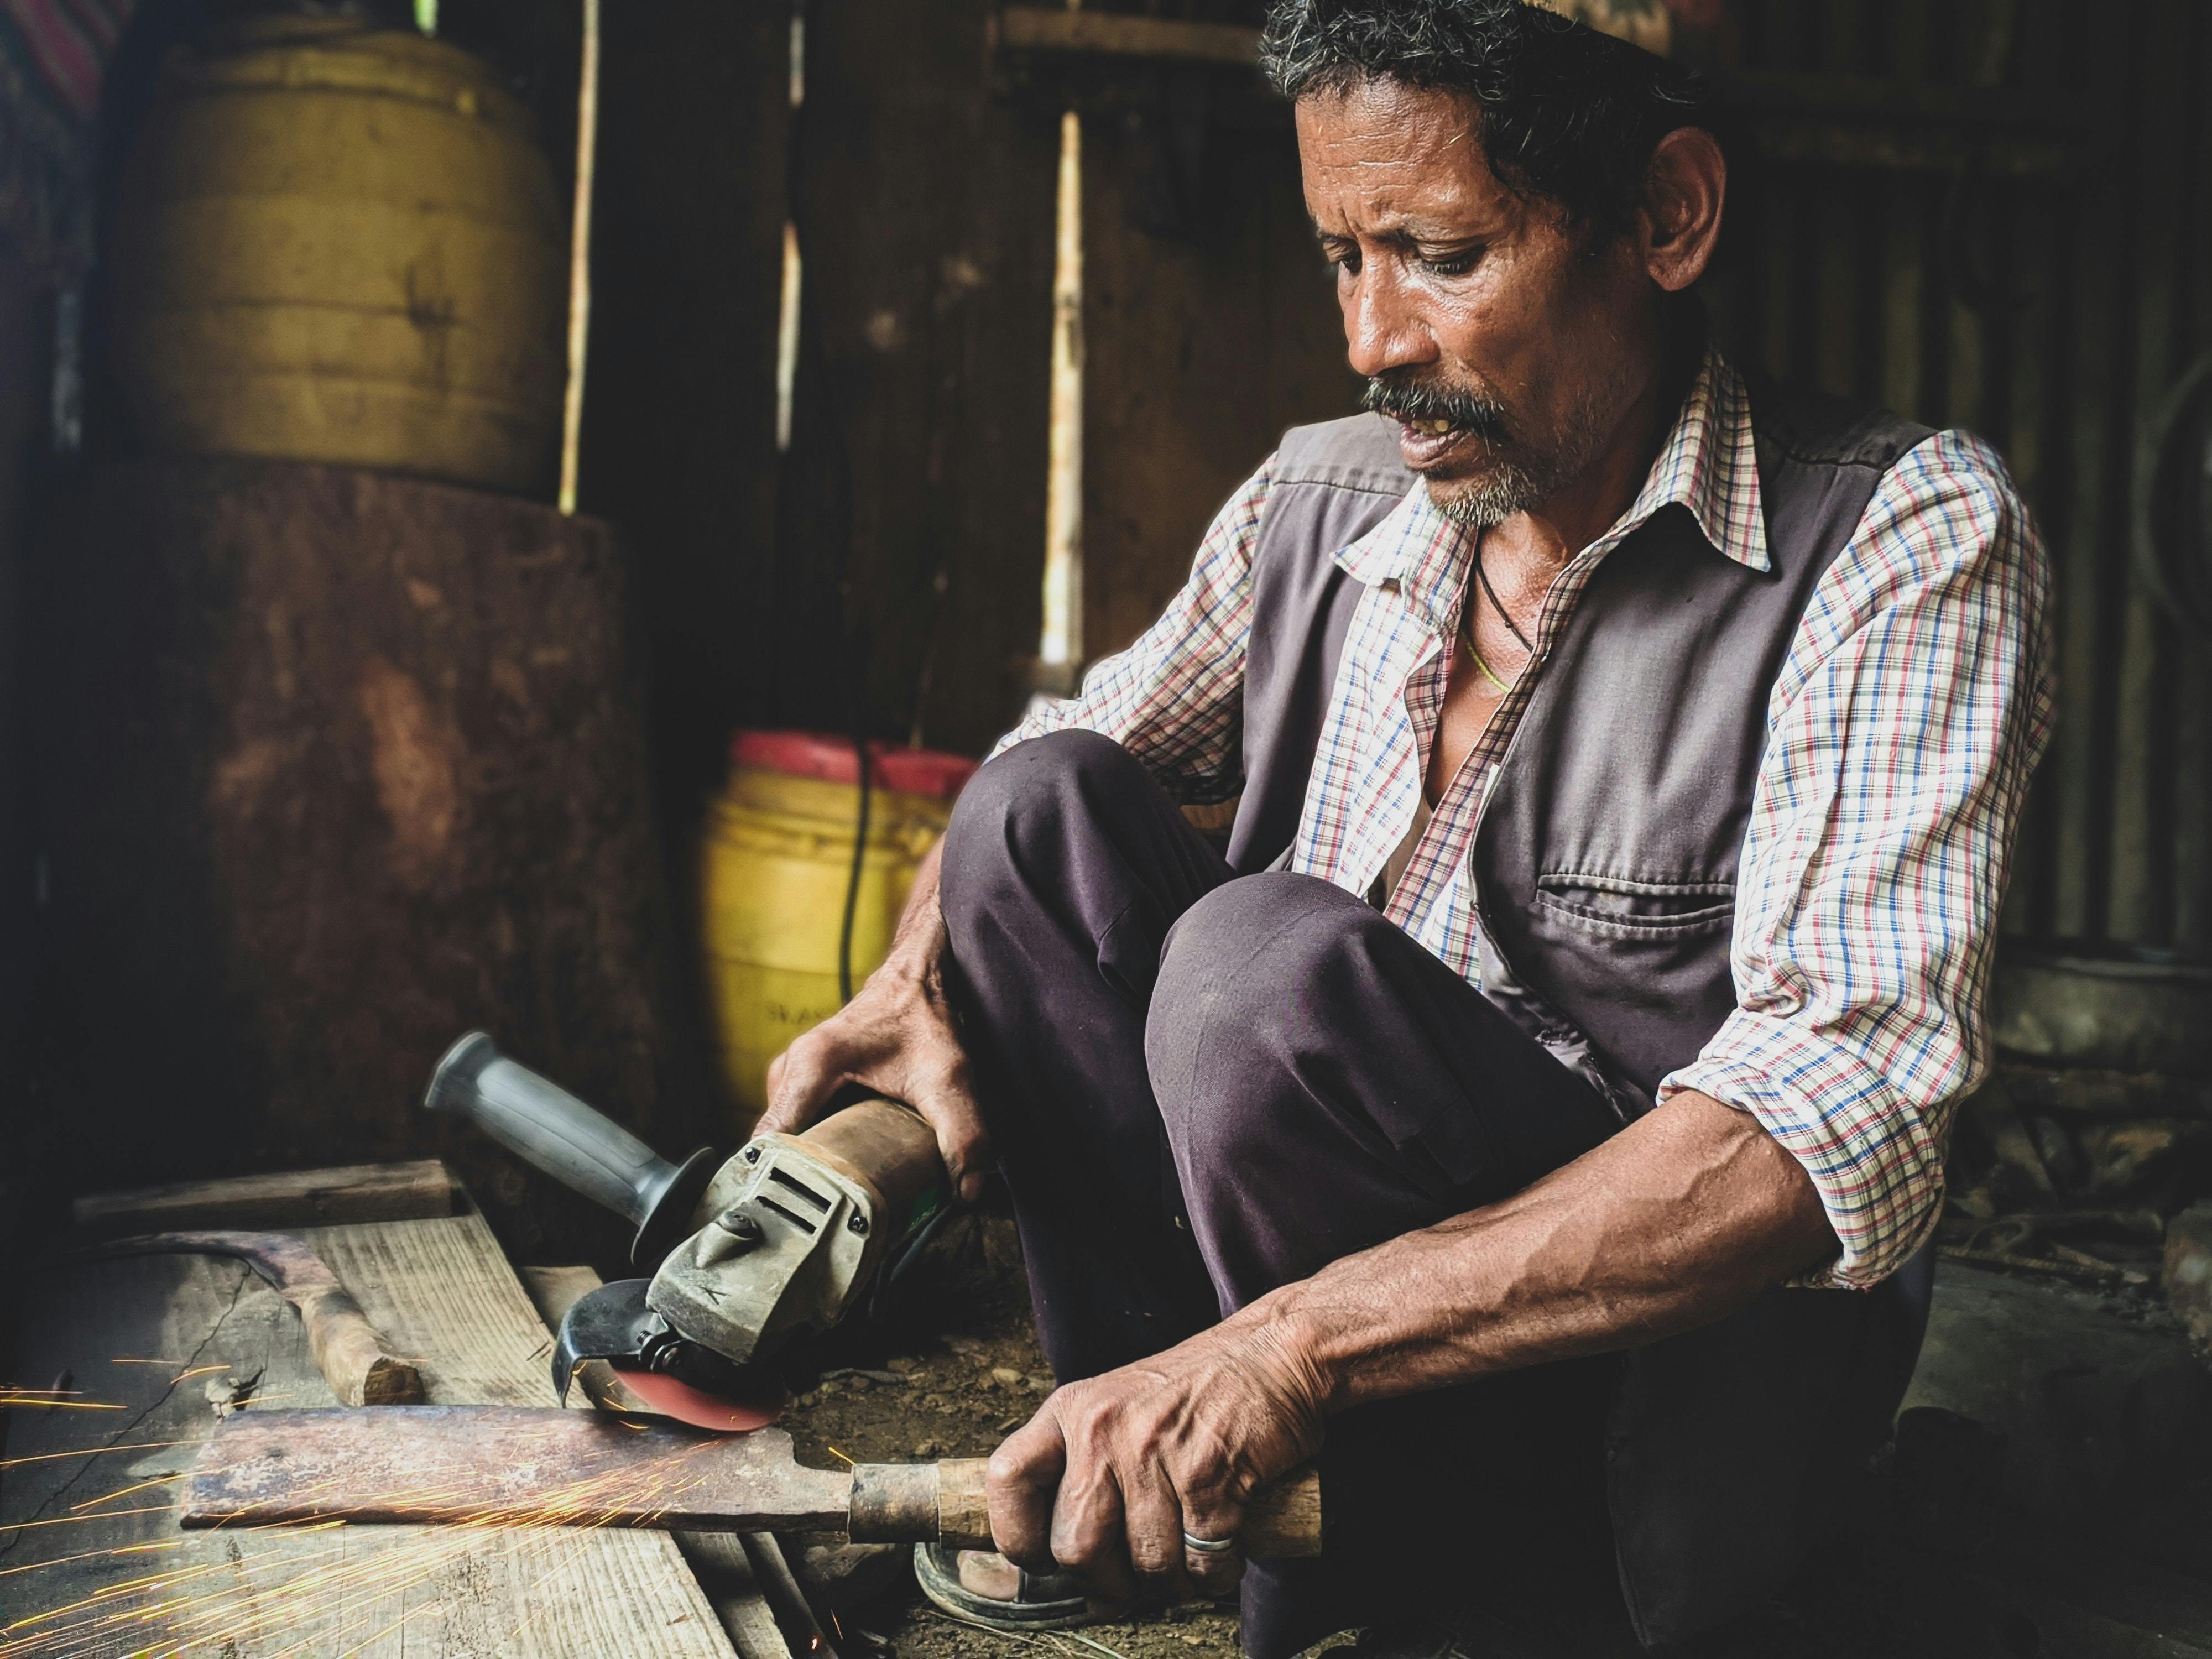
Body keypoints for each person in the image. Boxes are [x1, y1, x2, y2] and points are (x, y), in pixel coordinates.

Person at [763, 1, 2053, 1651]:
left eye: (1441, 254)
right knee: (1026, 820)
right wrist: (910, 982)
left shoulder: (1898, 537)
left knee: (1256, 973)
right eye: (1339, 258)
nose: (1371, 337)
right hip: (1267, 1349)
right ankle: (1147, 1486)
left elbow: (1837, 1117)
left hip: (1629, 1438)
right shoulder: (1330, 492)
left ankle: (1388, 1587)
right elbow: (1062, 743)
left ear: (1665, 217)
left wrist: (1289, 1349)